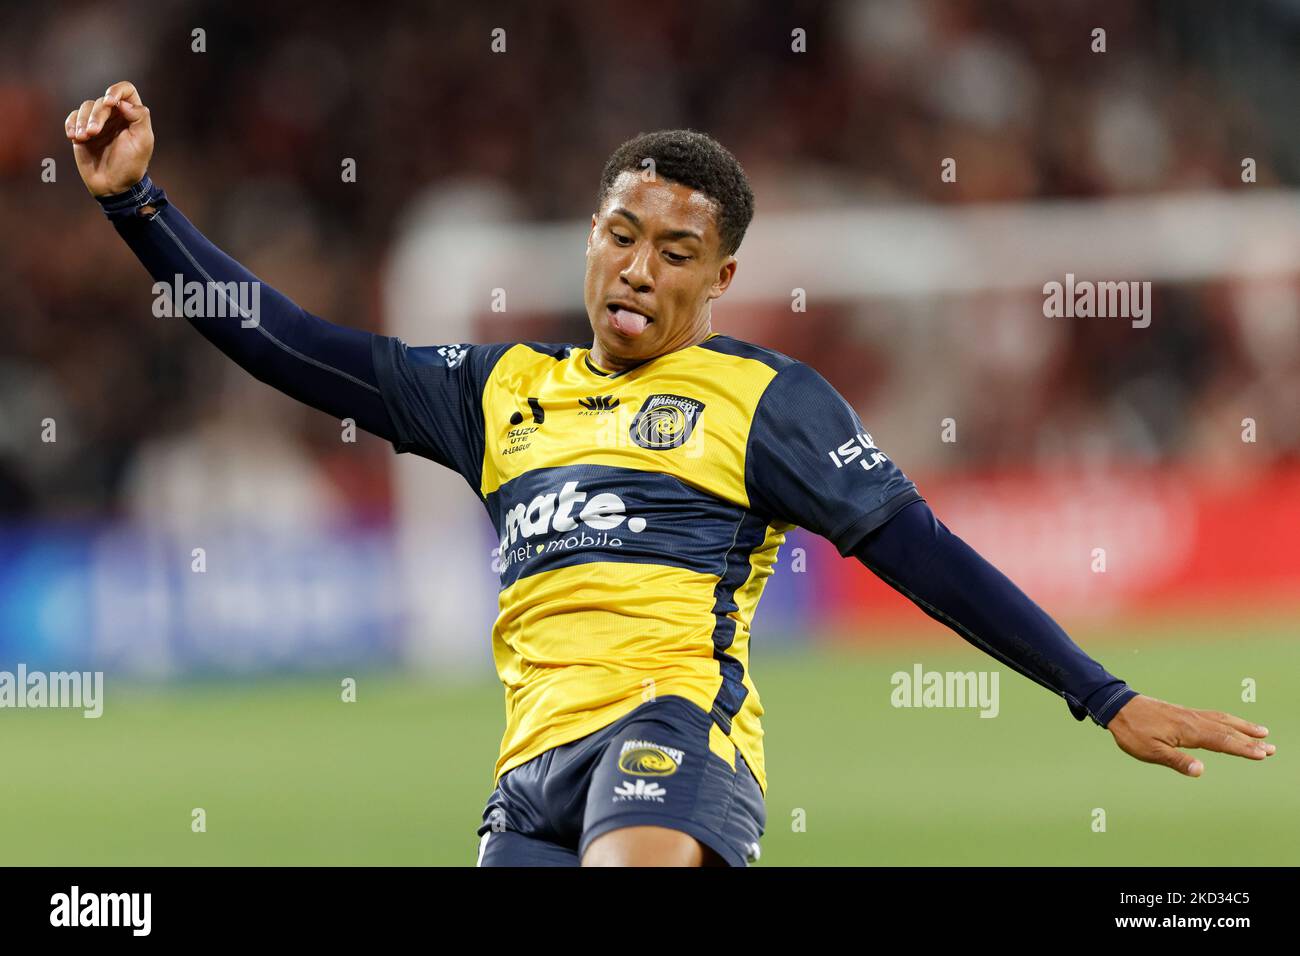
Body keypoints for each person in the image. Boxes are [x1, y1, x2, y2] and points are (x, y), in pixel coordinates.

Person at [65, 81, 1276, 868]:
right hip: (527, 777)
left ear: (720, 280)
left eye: (676, 251)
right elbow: (285, 342)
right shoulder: (497, 391)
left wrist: (1099, 693)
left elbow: (923, 554)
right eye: (621, 234)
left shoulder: (765, 403)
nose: (639, 269)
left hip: (672, 741)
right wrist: (138, 205)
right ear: (590, 238)